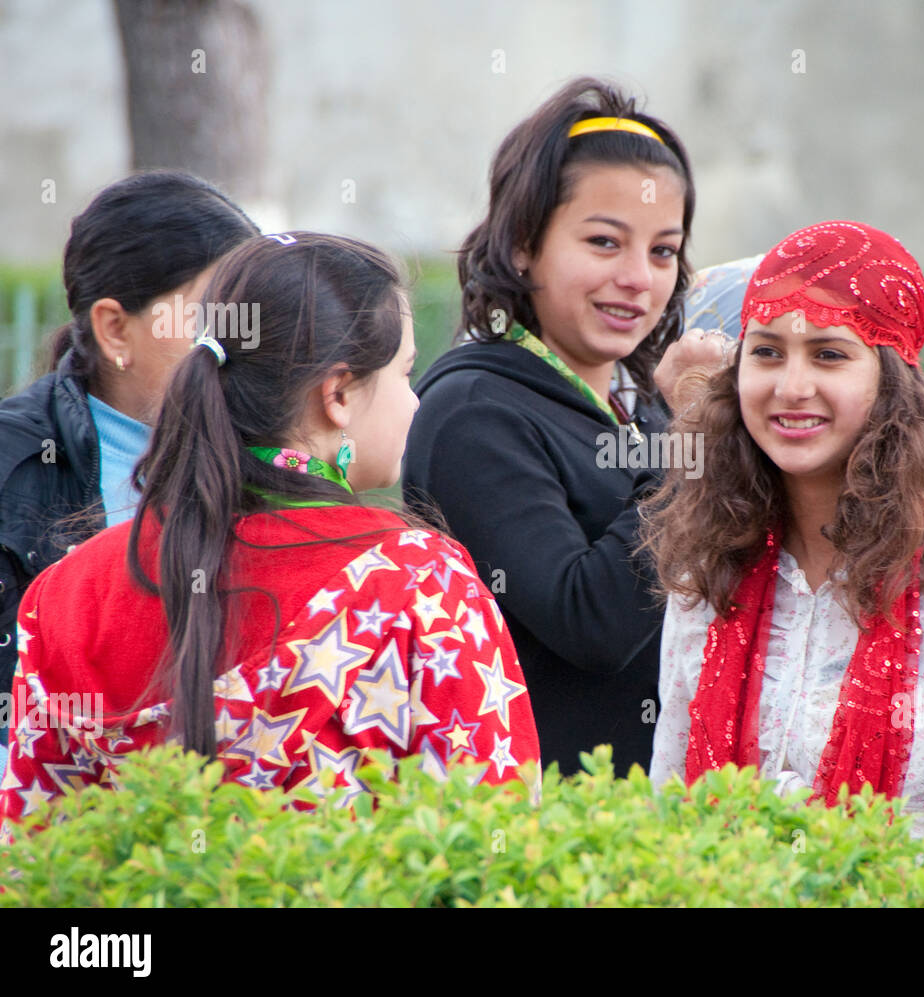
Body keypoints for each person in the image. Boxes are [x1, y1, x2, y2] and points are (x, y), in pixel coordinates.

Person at [1, 232, 539, 828]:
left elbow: (34, 852)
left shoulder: (67, 590)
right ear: (336, 394)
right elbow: (492, 843)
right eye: (405, 372)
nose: (414, 402)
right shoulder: (418, 585)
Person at [644, 221, 924, 890]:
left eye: (829, 355)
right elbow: (667, 812)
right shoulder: (708, 564)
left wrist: (822, 880)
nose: (792, 385)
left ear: (891, 381)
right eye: (768, 352)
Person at [403, 78, 703, 776]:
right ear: (521, 246)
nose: (638, 278)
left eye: (663, 251)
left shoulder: (644, 406)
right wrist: (689, 447)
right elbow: (590, 622)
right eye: (604, 242)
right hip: (553, 835)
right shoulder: (474, 411)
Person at [0, 170, 259, 760]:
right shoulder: (13, 468)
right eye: (211, 316)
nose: (241, 344)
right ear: (115, 328)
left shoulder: (262, 446)